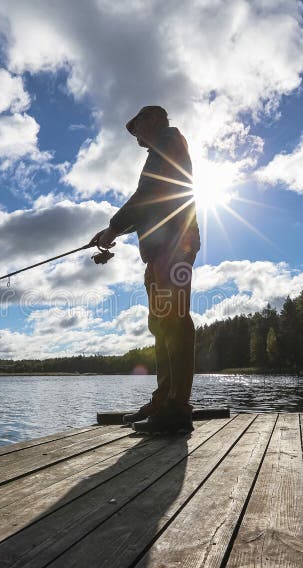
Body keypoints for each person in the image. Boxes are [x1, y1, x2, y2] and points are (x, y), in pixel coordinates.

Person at [90, 105, 200, 434]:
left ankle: (177, 409)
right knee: (161, 323)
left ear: (152, 119)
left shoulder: (168, 141)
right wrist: (111, 232)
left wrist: (113, 226)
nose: (135, 138)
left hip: (175, 248)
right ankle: (164, 398)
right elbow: (150, 206)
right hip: (159, 252)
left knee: (174, 322)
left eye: (136, 128)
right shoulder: (162, 149)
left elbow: (147, 194)